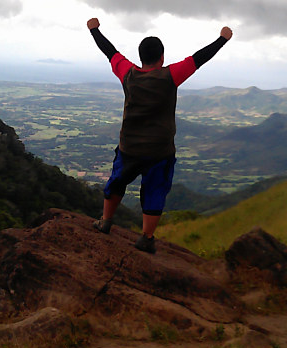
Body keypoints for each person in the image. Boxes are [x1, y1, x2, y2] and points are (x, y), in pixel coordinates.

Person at [87, 17, 232, 254]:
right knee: (154, 190)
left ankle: (105, 222)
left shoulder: (128, 74)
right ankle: (146, 237)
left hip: (129, 147)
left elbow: (109, 51)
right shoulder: (170, 76)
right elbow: (199, 58)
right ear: (162, 57)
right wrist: (222, 39)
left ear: (141, 57)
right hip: (160, 151)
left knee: (117, 182)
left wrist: (94, 30)